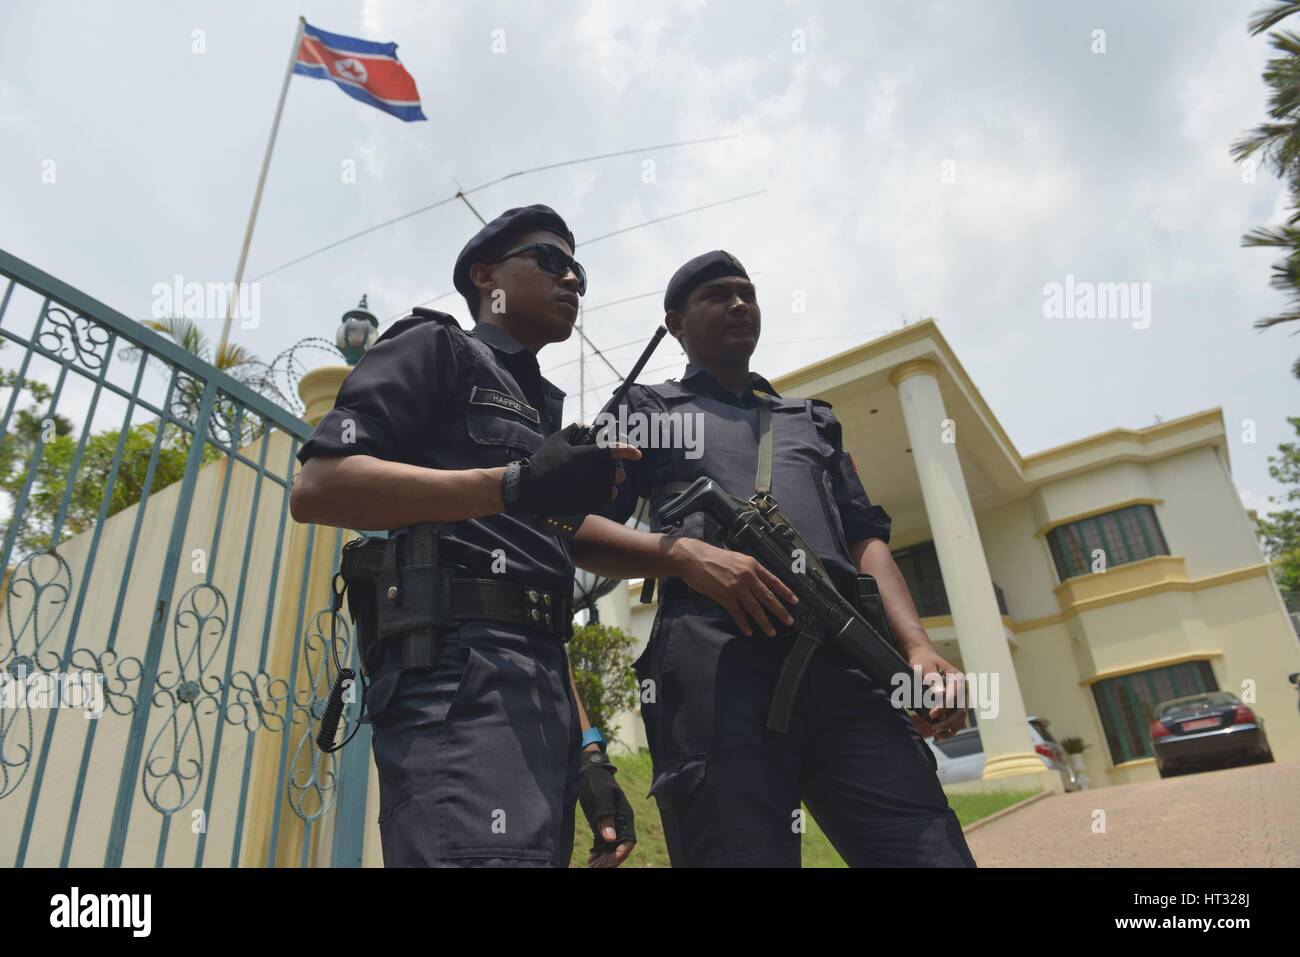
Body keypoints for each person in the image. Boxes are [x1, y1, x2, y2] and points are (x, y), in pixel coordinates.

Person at [569, 250, 977, 867]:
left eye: (747, 293)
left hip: (847, 668)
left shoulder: (810, 421)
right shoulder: (647, 409)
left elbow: (864, 539)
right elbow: (573, 523)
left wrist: (916, 647)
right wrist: (682, 556)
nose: (738, 304)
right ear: (674, 323)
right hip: (717, 672)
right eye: (717, 295)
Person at [291, 204, 638, 868]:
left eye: (581, 272)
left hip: (542, 704)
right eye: (551, 260)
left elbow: (534, 596)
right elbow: (319, 488)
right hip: (457, 686)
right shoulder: (438, 347)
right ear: (487, 275)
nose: (572, 280)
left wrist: (590, 749)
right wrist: (515, 484)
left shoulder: (544, 414)